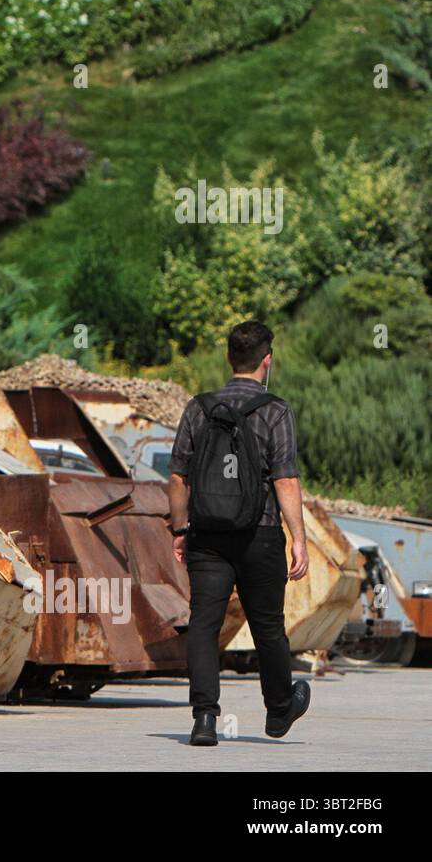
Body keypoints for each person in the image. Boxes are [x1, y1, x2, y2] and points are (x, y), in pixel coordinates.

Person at [167, 320, 311, 747]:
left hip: (207, 535)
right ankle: (279, 709)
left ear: (228, 357)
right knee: (268, 627)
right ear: (266, 360)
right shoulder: (275, 410)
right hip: (260, 534)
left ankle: (204, 719)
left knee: (204, 625)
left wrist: (180, 528)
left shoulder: (198, 407)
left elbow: (177, 477)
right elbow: (285, 479)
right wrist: (299, 537)